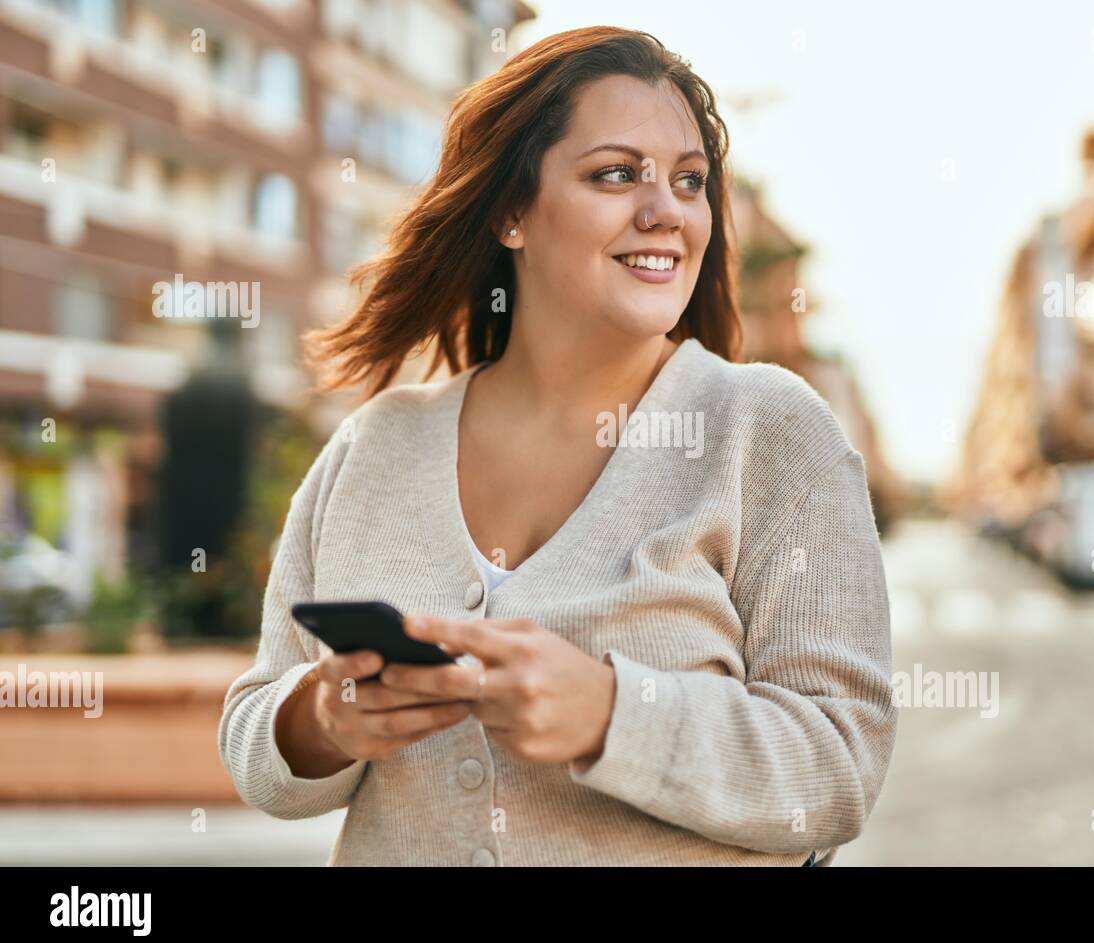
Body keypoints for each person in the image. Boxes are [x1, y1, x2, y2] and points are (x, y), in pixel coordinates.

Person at [218, 25, 896, 867]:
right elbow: (254, 734)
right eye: (616, 174)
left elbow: (840, 767)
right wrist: (321, 717)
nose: (667, 212)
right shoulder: (376, 444)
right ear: (510, 211)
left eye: (689, 182)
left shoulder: (770, 432)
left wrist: (612, 714)